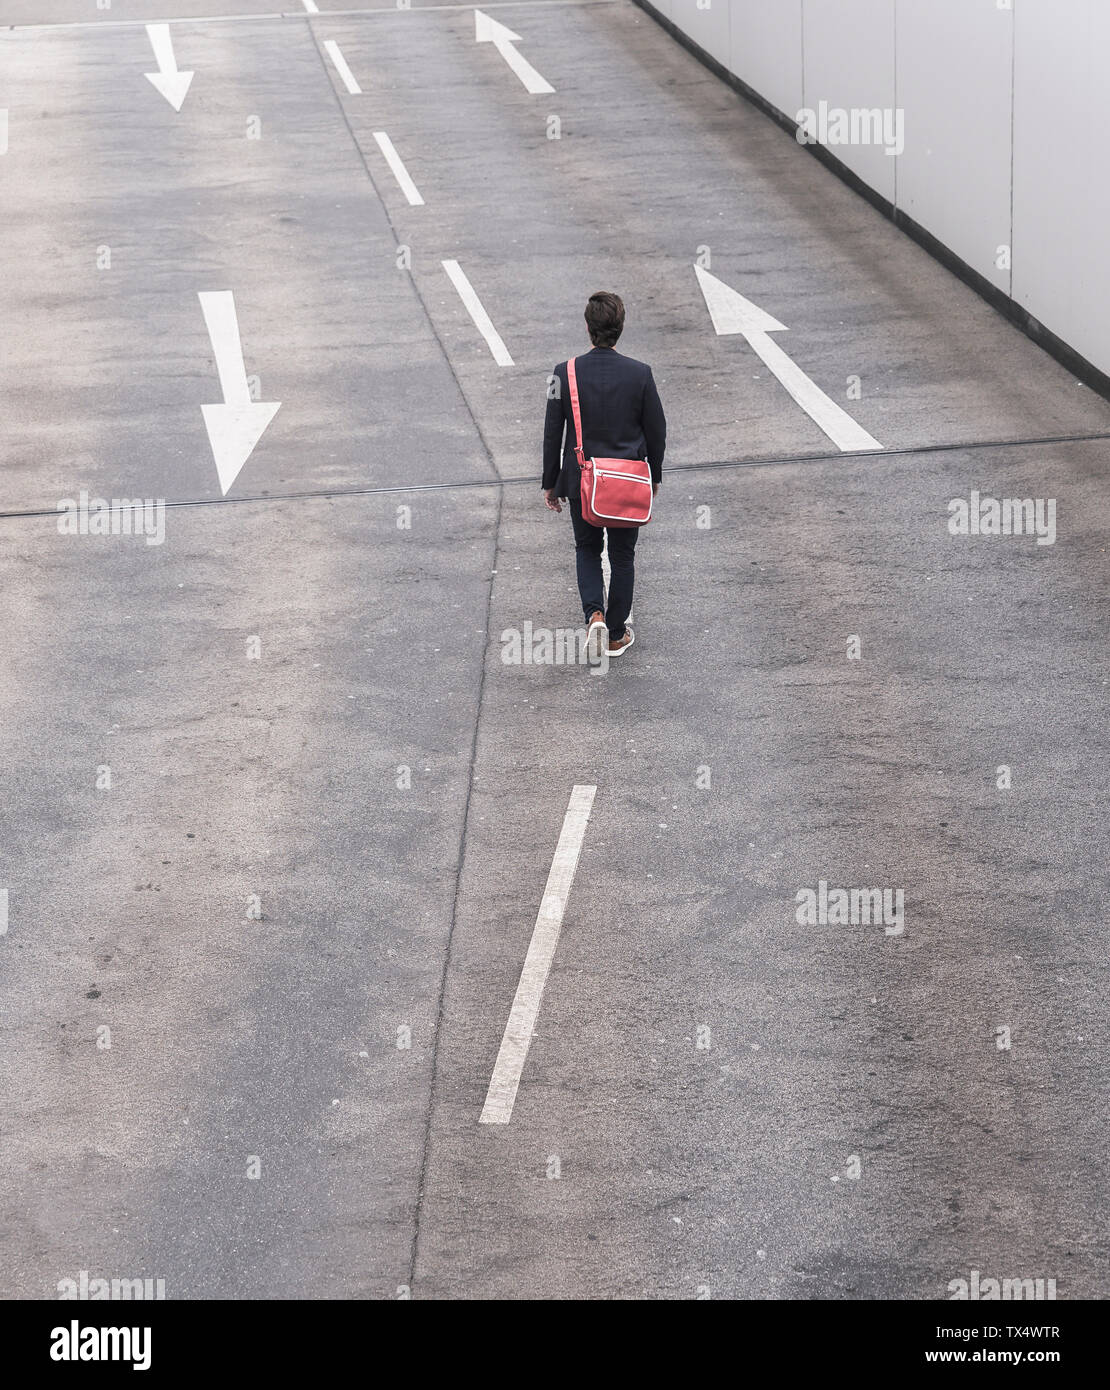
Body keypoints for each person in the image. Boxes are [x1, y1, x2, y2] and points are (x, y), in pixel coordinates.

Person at [542, 292, 666, 660]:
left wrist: (551, 482)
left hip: (583, 480)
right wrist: (653, 475)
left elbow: (553, 433)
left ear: (587, 327)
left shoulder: (565, 373)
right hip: (627, 481)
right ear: (621, 328)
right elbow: (656, 431)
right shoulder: (640, 374)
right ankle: (614, 634)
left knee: (587, 548)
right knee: (623, 556)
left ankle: (593, 613)